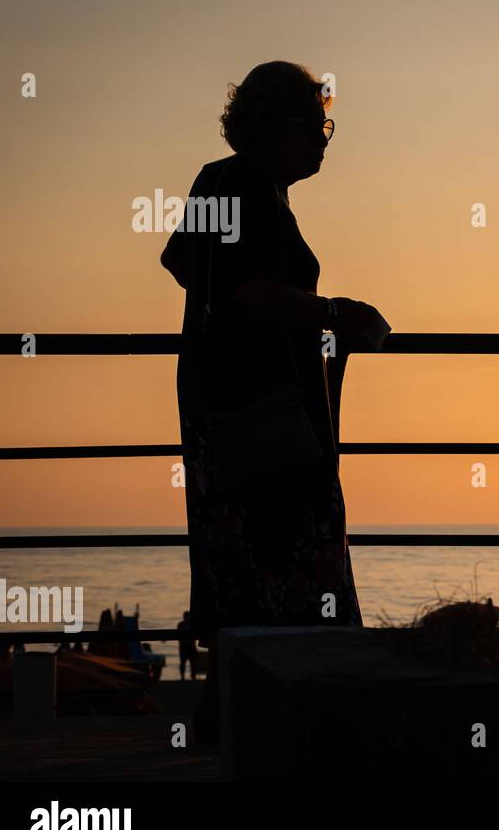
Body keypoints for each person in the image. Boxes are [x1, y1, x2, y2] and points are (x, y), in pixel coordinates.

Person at [160, 61, 386, 740]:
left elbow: (181, 263)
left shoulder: (215, 179)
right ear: (278, 127)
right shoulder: (254, 185)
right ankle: (315, 723)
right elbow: (247, 290)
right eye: (316, 125)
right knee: (296, 556)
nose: (324, 139)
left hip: (217, 406)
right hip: (268, 412)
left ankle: (221, 714)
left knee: (236, 564)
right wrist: (336, 313)